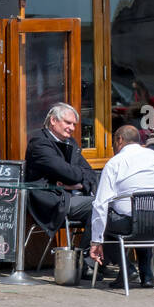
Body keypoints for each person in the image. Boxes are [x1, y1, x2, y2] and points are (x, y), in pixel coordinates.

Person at [88, 125, 154, 289]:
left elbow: (101, 203)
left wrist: (96, 240)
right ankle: (147, 274)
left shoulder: (115, 162)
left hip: (130, 223)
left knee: (107, 217)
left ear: (119, 140)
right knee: (145, 217)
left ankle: (126, 270)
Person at [23, 102, 97, 249]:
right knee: (100, 206)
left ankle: (90, 262)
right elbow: (69, 174)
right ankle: (85, 261)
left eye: (74, 124)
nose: (72, 128)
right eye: (68, 123)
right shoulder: (39, 143)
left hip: (70, 197)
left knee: (107, 210)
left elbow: (90, 174)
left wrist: (79, 184)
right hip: (51, 202)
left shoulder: (70, 143)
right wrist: (76, 178)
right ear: (53, 121)